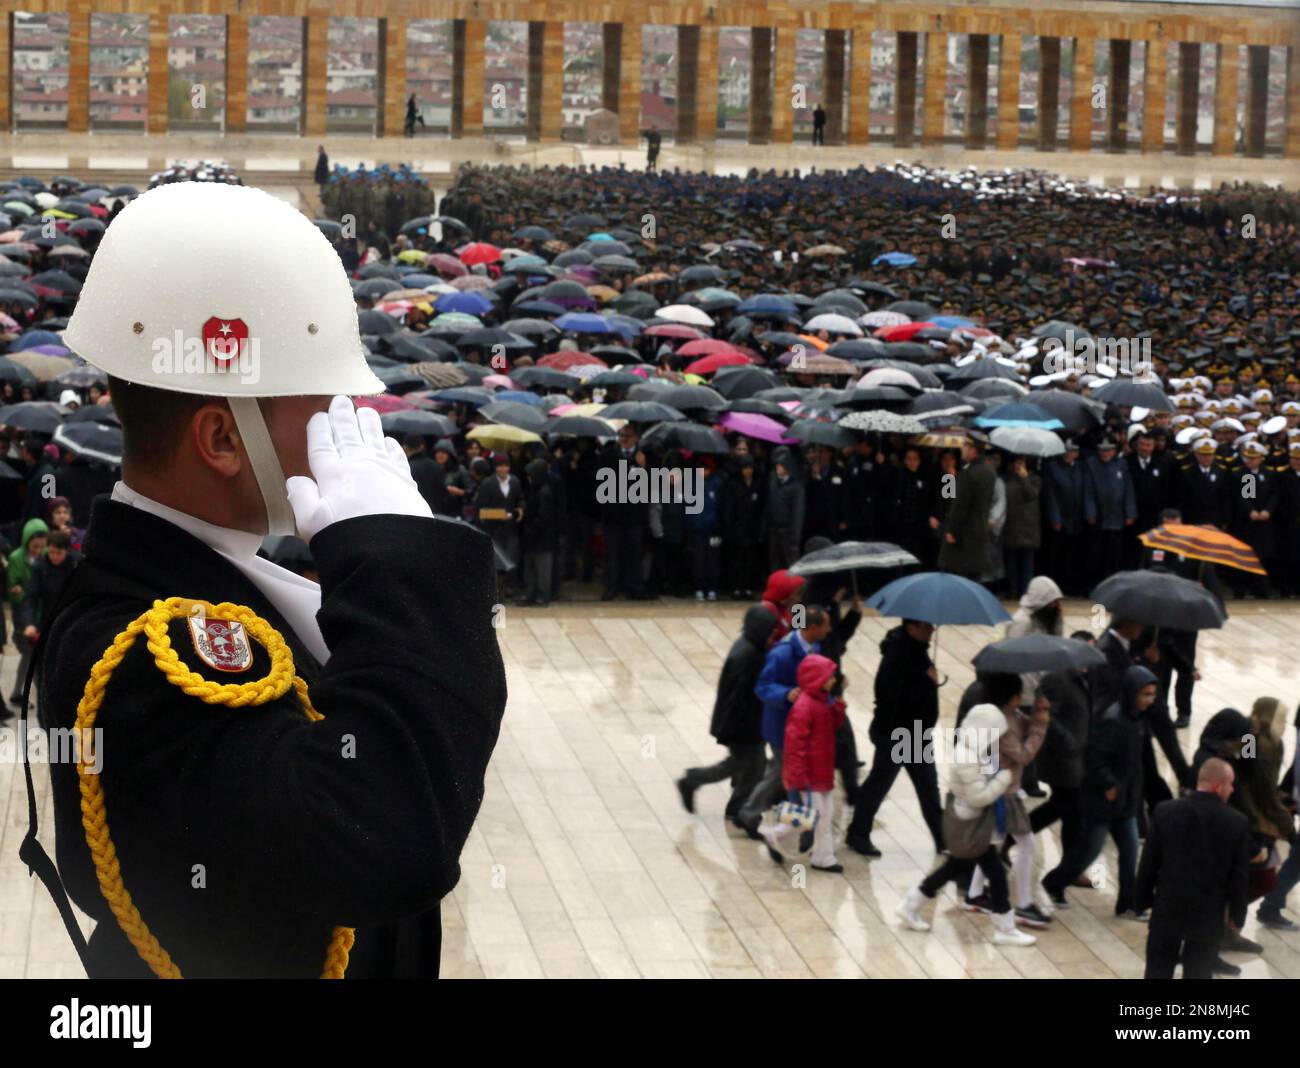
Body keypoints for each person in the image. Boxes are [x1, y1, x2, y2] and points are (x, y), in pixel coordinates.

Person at [32, 181, 506, 978]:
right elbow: (384, 839)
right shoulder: (157, 652)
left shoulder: (218, 588)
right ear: (222, 436)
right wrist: (400, 566)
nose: (351, 420)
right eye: (326, 400)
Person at [895, 703, 1036, 947]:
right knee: (995, 874)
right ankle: (1005, 928)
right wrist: (1004, 779)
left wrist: (999, 772)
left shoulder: (980, 750)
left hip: (977, 823)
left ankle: (910, 905)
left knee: (952, 868)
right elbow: (978, 796)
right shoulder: (966, 758)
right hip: (971, 825)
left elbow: (989, 776)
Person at [1041, 666, 1160, 916]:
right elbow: (1095, 759)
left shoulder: (1138, 720)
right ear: (1132, 693)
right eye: (1146, 694)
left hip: (1126, 801)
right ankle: (1053, 883)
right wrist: (1109, 784)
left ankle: (1128, 904)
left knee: (1129, 853)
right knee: (1088, 852)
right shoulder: (1113, 721)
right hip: (1103, 802)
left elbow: (1142, 760)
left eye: (1152, 694)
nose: (1151, 700)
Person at [1136, 758, 1252, 980]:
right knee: (1198, 973)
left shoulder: (1165, 811)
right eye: (1230, 785)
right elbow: (1238, 877)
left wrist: (1142, 899)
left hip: (1167, 908)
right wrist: (1237, 915)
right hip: (1207, 916)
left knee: (1157, 971)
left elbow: (1149, 862)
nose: (1233, 789)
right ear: (1219, 786)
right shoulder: (1236, 822)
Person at [844, 618, 945, 858]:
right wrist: (929, 682)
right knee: (881, 785)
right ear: (912, 627)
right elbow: (894, 696)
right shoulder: (900, 655)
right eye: (927, 625)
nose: (933, 628)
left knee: (927, 788)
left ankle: (943, 839)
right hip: (901, 734)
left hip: (914, 733)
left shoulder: (914, 650)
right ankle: (858, 833)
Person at [734, 606, 832, 838]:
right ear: (813, 627)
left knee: (782, 774)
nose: (829, 629)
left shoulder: (814, 647)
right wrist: (786, 694)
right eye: (825, 625)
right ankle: (795, 827)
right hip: (783, 727)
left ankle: (752, 815)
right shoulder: (783, 653)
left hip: (801, 725)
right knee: (792, 777)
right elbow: (763, 687)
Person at [965, 676, 1051, 928]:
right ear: (1011, 697)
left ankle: (974, 894)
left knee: (993, 844)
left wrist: (1038, 715)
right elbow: (1023, 754)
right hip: (1003, 793)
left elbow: (1025, 728)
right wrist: (1041, 727)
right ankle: (1024, 904)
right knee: (1026, 845)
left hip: (999, 788)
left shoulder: (1008, 715)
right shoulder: (1001, 722)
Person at [677, 606, 776, 824]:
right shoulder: (748, 654)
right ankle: (698, 783)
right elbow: (738, 698)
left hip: (748, 722)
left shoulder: (753, 646)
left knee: (749, 766)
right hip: (744, 724)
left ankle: (737, 808)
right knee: (744, 765)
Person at [772, 653, 847, 871]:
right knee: (817, 815)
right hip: (809, 773)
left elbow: (833, 725)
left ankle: (777, 835)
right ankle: (823, 857)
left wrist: (839, 706)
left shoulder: (823, 702)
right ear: (817, 678)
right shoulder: (804, 707)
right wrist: (797, 775)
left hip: (820, 769)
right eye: (830, 676)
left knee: (821, 813)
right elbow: (794, 744)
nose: (834, 679)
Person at [937, 436, 995, 581]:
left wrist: (952, 530)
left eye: (965, 446)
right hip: (979, 529)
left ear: (973, 450)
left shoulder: (968, 472)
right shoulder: (989, 472)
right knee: (974, 574)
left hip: (963, 531)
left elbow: (956, 502)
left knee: (958, 574)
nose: (962, 449)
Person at [7, 517, 48, 706]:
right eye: (35, 546)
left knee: (32, 656)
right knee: (29, 655)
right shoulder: (17, 557)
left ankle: (23, 693)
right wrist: (26, 591)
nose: (38, 551)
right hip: (23, 613)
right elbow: (13, 587)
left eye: (42, 546)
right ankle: (29, 694)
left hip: (40, 613)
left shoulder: (47, 555)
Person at [18, 528, 79, 647]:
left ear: (66, 551)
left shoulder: (76, 566)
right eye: (51, 552)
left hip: (71, 620)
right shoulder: (41, 566)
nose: (54, 556)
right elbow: (31, 597)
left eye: (59, 553)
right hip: (47, 620)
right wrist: (29, 623)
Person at [477, 453, 524, 594]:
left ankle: (510, 588)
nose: (503, 469)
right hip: (494, 529)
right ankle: (496, 590)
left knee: (512, 558)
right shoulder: (487, 483)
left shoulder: (515, 481)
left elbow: (520, 498)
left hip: (511, 529)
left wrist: (520, 508)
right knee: (496, 561)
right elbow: (482, 509)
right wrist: (498, 515)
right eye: (500, 466)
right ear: (496, 468)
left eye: (506, 466)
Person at [520, 458, 557, 606]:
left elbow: (543, 517)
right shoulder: (536, 490)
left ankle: (543, 595)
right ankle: (532, 594)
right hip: (533, 537)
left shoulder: (544, 492)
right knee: (531, 568)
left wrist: (531, 530)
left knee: (542, 569)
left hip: (541, 538)